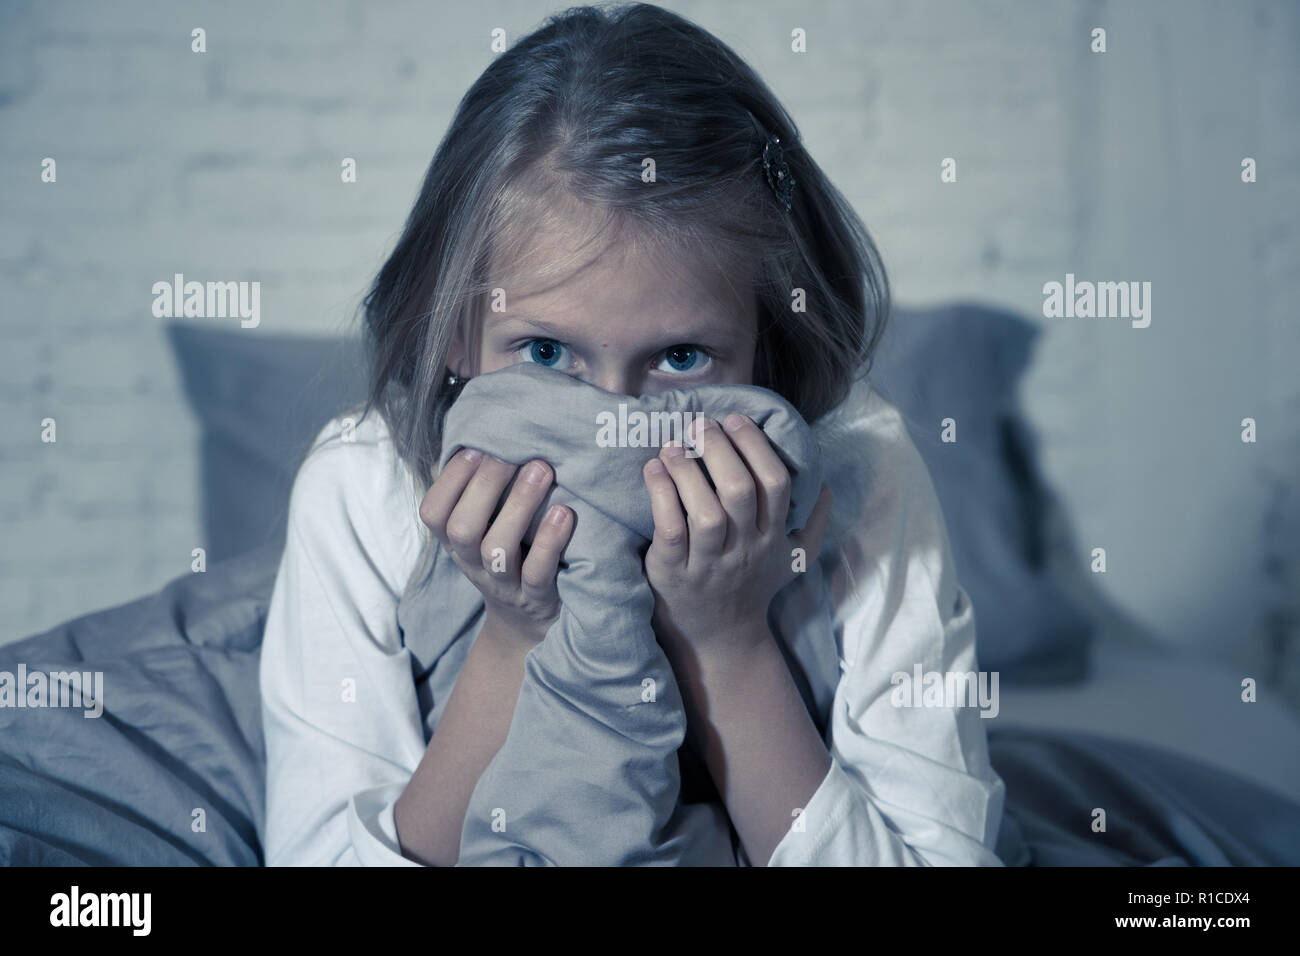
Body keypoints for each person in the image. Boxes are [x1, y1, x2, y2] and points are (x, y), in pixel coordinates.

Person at [260, 2, 1005, 866]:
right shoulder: (360, 487)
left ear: (767, 343)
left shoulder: (864, 473)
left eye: (682, 358)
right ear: (456, 331)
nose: (613, 419)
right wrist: (515, 641)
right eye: (545, 353)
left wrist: (726, 643)